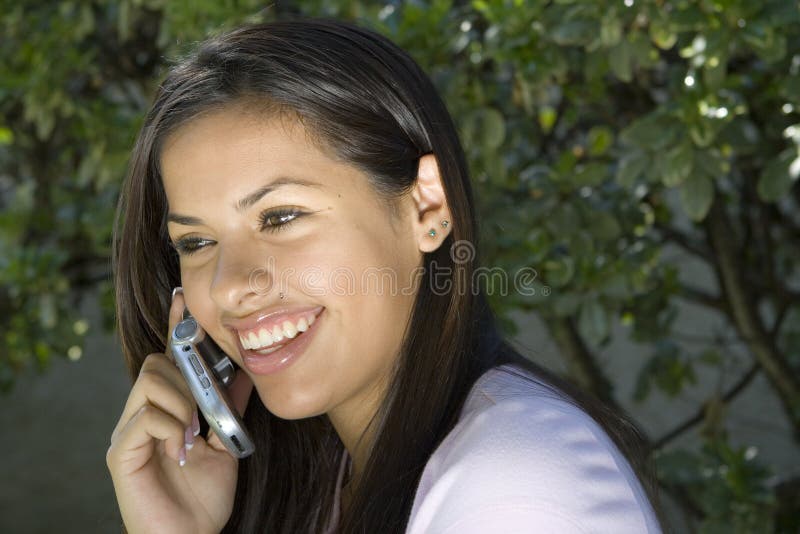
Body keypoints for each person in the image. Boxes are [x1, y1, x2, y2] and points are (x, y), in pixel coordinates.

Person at [106, 17, 666, 533]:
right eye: (197, 242)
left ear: (427, 207)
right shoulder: (333, 479)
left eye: (280, 217)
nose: (228, 286)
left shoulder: (514, 490)